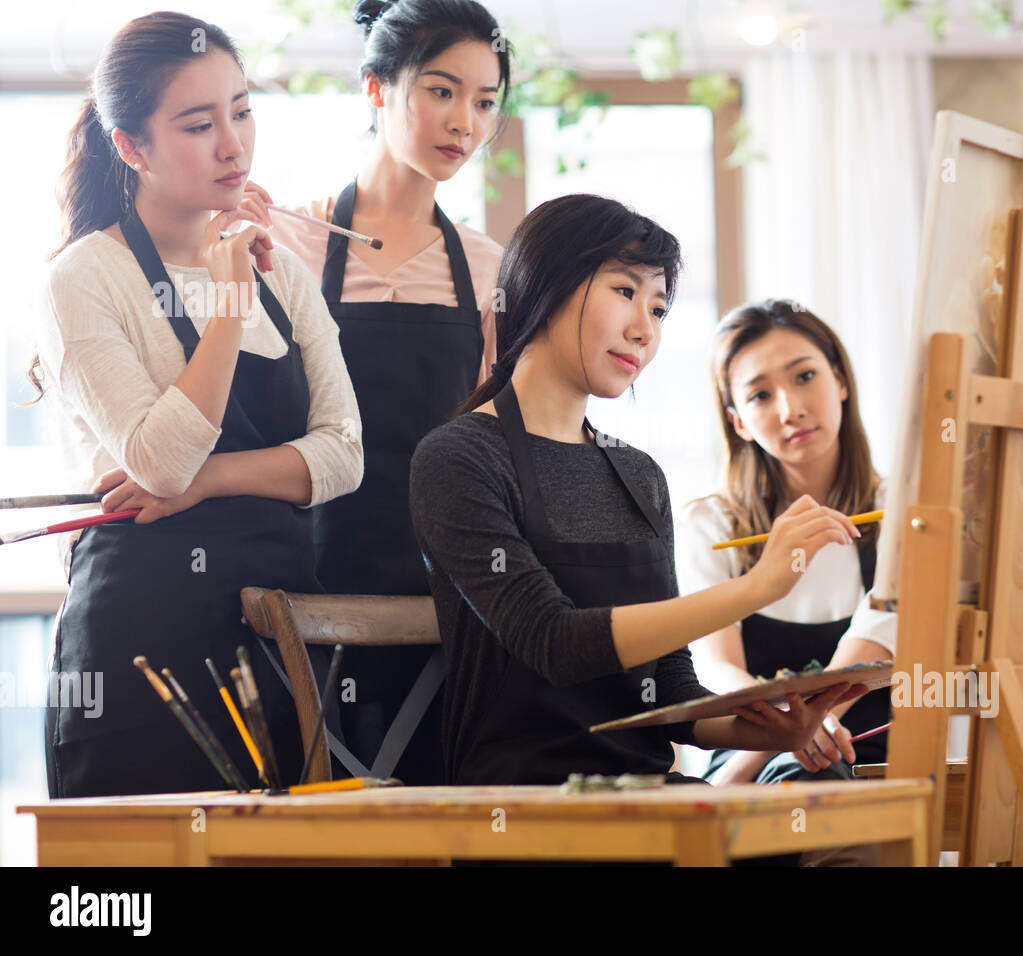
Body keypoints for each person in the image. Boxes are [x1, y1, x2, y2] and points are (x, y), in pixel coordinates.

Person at [410, 195, 867, 791]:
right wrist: (757, 587)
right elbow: (554, 643)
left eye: (658, 308)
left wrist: (770, 730)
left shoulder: (639, 474)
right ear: (546, 283)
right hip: (525, 804)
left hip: (650, 796)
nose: (644, 330)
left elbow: (672, 687)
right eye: (625, 292)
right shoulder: (457, 459)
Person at [29, 12, 363, 797]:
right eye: (198, 123)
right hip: (141, 633)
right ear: (132, 147)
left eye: (242, 111)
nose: (233, 145)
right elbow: (161, 460)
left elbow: (345, 453)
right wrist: (228, 298)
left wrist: (212, 480)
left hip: (281, 625)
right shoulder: (83, 278)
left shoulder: (284, 273)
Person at [261, 0, 510, 781]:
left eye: (485, 101)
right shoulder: (291, 237)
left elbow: (493, 437)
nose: (464, 122)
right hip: (304, 582)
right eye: (441, 90)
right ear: (376, 89)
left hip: (444, 594)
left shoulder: (486, 265)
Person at [677, 299, 895, 785]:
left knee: (820, 782)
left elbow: (877, 639)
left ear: (840, 381)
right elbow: (715, 666)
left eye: (804, 377)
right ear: (737, 422)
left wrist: (805, 728)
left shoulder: (900, 508)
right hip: (748, 745)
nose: (790, 409)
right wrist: (779, 733)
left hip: (870, 749)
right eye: (759, 396)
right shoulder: (710, 525)